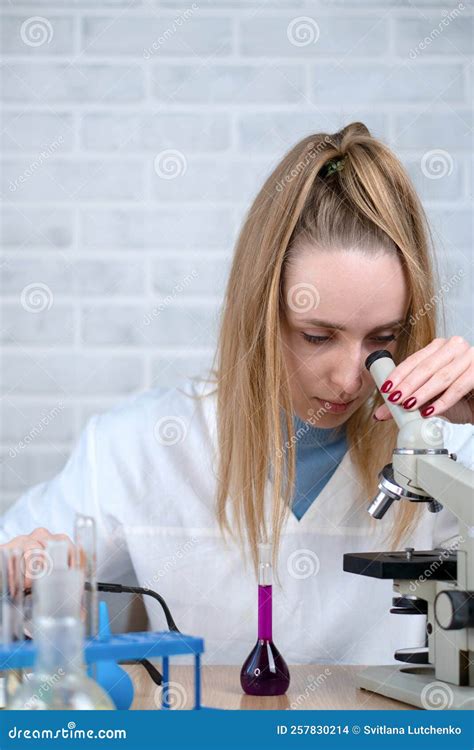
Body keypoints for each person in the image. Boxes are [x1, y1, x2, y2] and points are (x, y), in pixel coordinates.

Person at [1, 122, 472, 667]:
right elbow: (24, 572)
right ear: (259, 315)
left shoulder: (449, 447)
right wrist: (25, 576)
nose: (349, 380)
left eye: (383, 341)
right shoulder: (140, 447)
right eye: (317, 336)